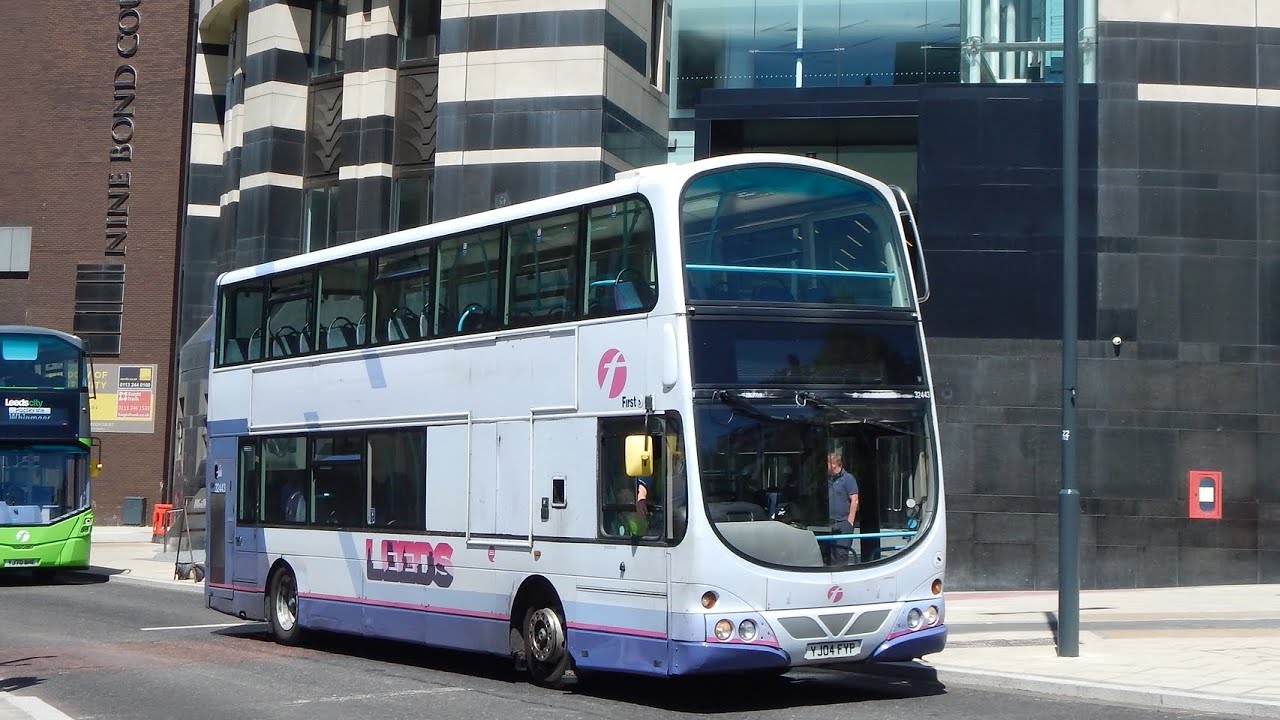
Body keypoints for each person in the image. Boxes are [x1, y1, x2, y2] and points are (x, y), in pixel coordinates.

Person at [825, 450, 860, 565]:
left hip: (843, 523)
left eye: (827, 464)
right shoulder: (827, 480)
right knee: (829, 555)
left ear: (834, 464)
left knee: (841, 554)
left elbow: (854, 499)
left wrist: (849, 521)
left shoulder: (848, 478)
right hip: (828, 524)